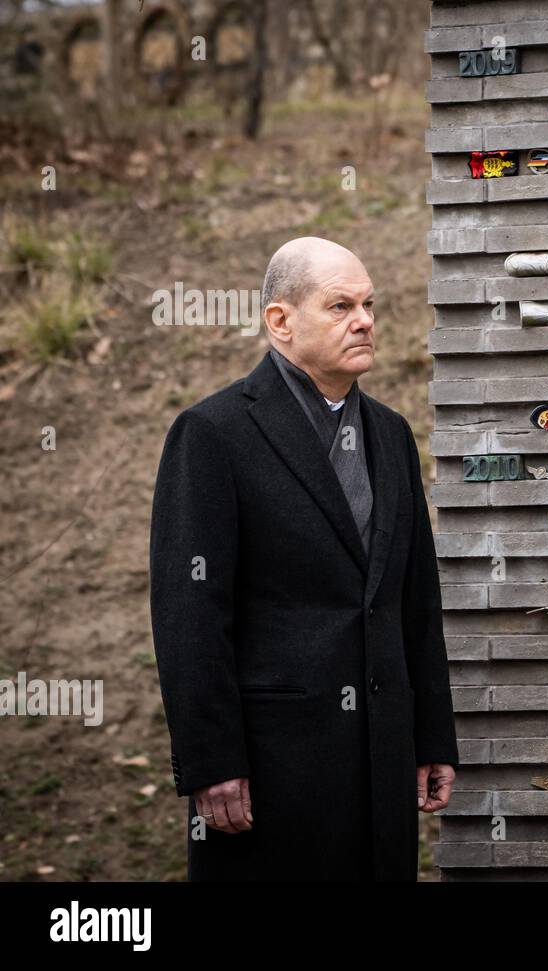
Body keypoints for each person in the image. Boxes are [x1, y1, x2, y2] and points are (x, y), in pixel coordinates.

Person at [149, 236, 458, 880]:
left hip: (381, 762)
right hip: (270, 773)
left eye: (370, 304)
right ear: (280, 321)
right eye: (340, 305)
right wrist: (211, 761)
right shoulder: (213, 434)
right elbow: (190, 613)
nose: (366, 320)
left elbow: (414, 600)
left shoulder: (392, 434)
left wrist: (429, 737)